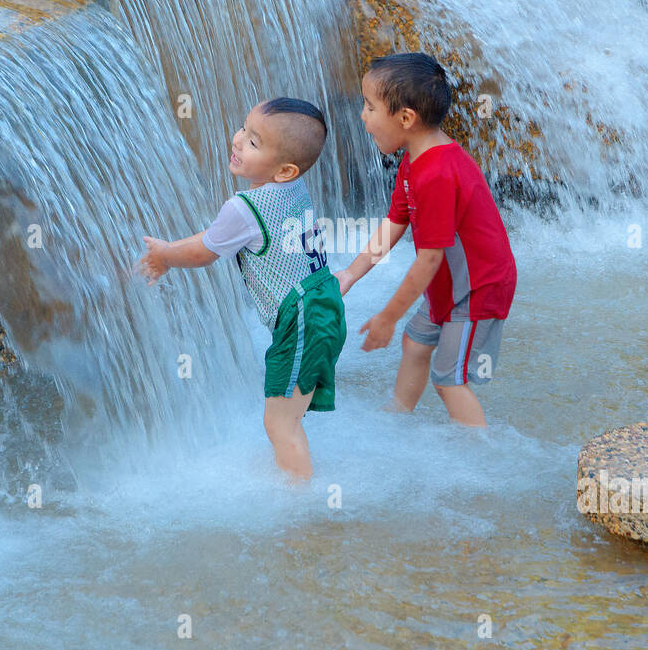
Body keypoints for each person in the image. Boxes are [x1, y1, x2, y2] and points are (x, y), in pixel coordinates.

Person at [139, 98, 346, 481]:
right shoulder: (292, 187)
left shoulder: (244, 207)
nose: (237, 141)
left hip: (301, 315)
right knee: (287, 414)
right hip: (321, 301)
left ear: (284, 169)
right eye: (243, 128)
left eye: (253, 142)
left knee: (278, 423)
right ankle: (291, 472)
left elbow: (205, 252)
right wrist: (171, 248)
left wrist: (167, 255)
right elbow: (220, 235)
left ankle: (300, 505)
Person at [335, 53, 516, 427]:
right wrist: (351, 274)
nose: (363, 118)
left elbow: (429, 259)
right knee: (415, 343)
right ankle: (398, 415)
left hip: (477, 288)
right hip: (449, 282)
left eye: (370, 107)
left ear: (405, 118)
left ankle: (481, 453)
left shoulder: (436, 174)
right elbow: (396, 221)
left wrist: (387, 316)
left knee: (449, 378)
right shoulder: (413, 159)